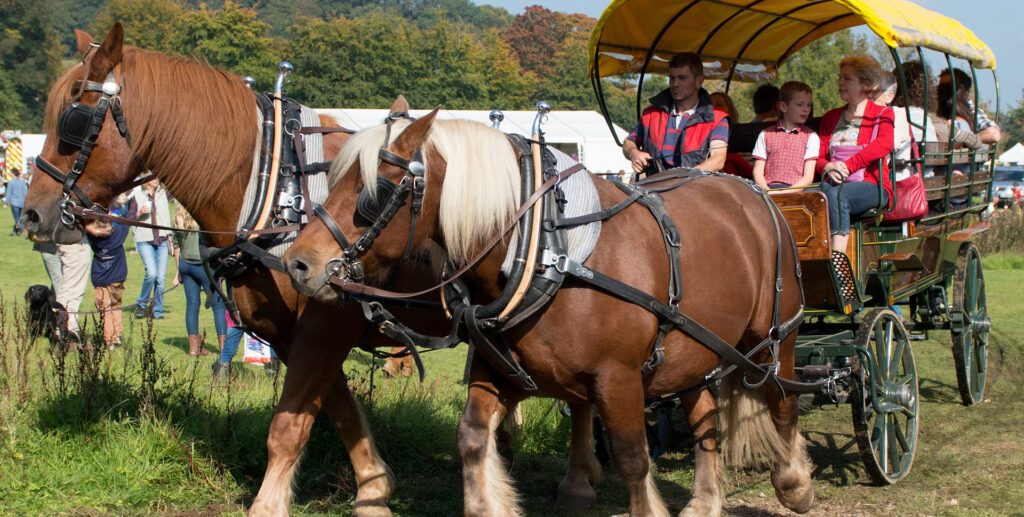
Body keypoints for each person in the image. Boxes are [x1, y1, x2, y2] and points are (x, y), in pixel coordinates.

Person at [816, 55, 894, 254]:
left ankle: (838, 257)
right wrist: (828, 166)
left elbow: (884, 144)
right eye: (840, 77)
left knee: (836, 194)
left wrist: (848, 166)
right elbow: (818, 155)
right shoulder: (830, 117)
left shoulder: (883, 114)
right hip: (833, 181)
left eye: (847, 78)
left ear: (866, 84)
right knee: (812, 195)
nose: (840, 83)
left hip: (872, 184)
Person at [621, 52, 730, 175]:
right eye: (672, 78)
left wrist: (683, 178)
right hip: (654, 188)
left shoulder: (717, 118)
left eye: (682, 78)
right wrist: (634, 153)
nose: (675, 84)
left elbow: (718, 159)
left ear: (698, 81)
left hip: (696, 188)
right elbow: (627, 143)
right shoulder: (650, 114)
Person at [171, 205, 226, 357]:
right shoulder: (204, 212)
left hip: (185, 264)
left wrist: (178, 272)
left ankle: (194, 349)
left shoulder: (178, 217)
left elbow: (176, 247)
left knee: (192, 305)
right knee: (218, 306)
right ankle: (224, 348)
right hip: (204, 265)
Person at [750, 81, 819, 190]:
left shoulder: (811, 136)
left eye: (809, 105)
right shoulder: (765, 134)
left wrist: (786, 194)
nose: (806, 109)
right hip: (768, 189)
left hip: (797, 191)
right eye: (800, 105)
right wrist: (766, 191)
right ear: (783, 106)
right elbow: (758, 170)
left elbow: (808, 177)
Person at [84, 209, 130, 350]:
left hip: (101, 280)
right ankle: (117, 335)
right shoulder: (118, 235)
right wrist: (115, 216)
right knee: (116, 306)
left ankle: (110, 340)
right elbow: (125, 222)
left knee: (105, 310)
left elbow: (86, 227)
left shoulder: (94, 239)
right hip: (117, 279)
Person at [128, 178, 173, 319]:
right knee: (151, 274)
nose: (156, 180)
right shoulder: (138, 195)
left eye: (157, 177)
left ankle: (157, 311)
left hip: (162, 239)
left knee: (161, 279)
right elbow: (130, 218)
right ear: (146, 180)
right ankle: (141, 304)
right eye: (152, 178)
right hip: (145, 239)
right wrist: (139, 214)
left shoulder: (163, 193)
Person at [939, 68, 1000, 144]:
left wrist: (966, 141)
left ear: (962, 90)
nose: (941, 92)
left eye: (947, 88)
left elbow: (994, 134)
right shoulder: (941, 111)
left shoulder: (972, 112)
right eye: (940, 87)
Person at [711, 91, 755, 179]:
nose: (714, 109)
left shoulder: (743, 136)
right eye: (709, 106)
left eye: (719, 105)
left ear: (730, 110)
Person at [6, 169, 28, 236]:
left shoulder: (11, 182)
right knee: (20, 218)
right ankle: (14, 231)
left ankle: (21, 231)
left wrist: (5, 203)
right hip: (22, 202)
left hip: (15, 202)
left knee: (17, 218)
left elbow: (8, 193)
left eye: (10, 173)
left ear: (13, 174)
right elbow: (25, 192)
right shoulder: (22, 182)